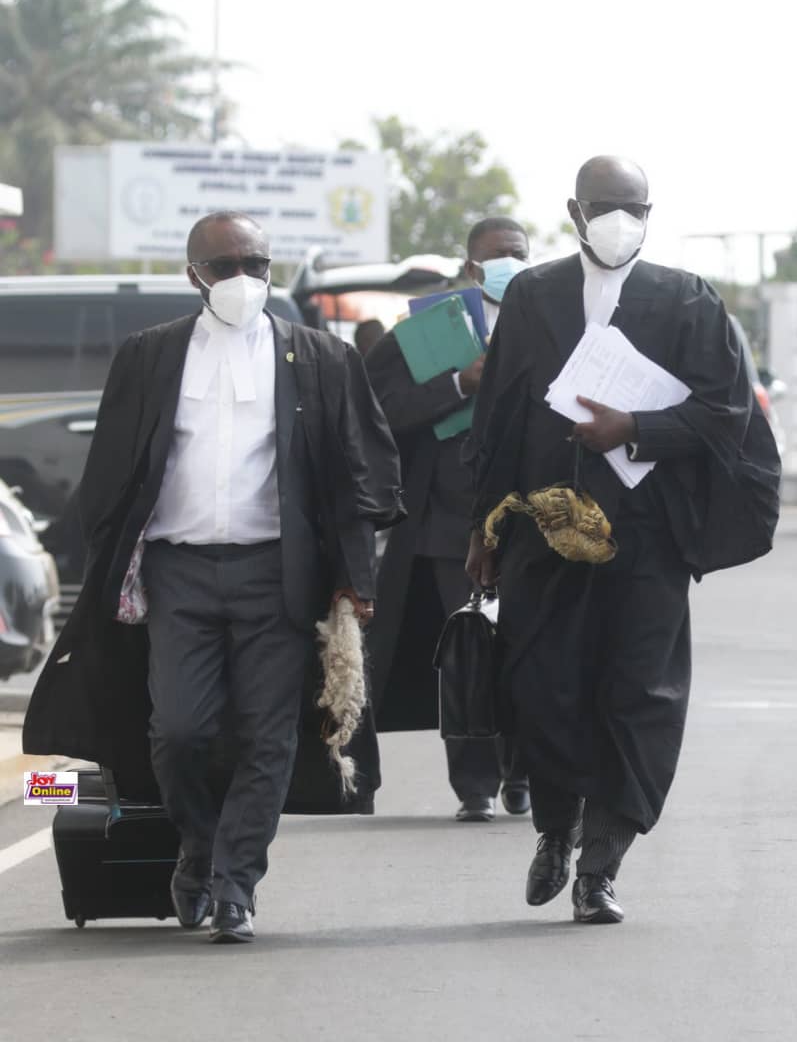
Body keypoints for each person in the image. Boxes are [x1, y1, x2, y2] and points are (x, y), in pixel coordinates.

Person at [23, 211, 404, 944]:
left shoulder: (320, 358)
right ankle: (197, 846)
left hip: (276, 574)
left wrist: (353, 579)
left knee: (268, 736)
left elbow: (359, 475)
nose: (243, 280)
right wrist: (92, 567)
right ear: (193, 275)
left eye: (256, 264)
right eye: (225, 265)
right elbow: (112, 471)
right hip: (179, 574)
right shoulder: (150, 355)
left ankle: (234, 884)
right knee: (182, 730)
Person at [465, 157, 781, 923]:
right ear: (573, 212)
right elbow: (499, 421)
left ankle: (600, 866)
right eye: (604, 206)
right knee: (547, 692)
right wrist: (483, 529)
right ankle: (555, 828)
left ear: (650, 212)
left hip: (646, 539)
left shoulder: (685, 298)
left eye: (631, 207)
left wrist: (633, 428)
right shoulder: (536, 295)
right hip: (545, 534)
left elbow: (724, 413)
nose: (618, 220)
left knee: (638, 698)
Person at [366, 216, 531, 821]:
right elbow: (379, 410)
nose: (508, 264)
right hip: (446, 525)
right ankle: (476, 787)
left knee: (526, 653)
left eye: (518, 253)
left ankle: (523, 772)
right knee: (467, 658)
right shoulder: (426, 331)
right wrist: (460, 382)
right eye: (495, 256)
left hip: (530, 518)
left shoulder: (550, 319)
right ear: (470, 267)